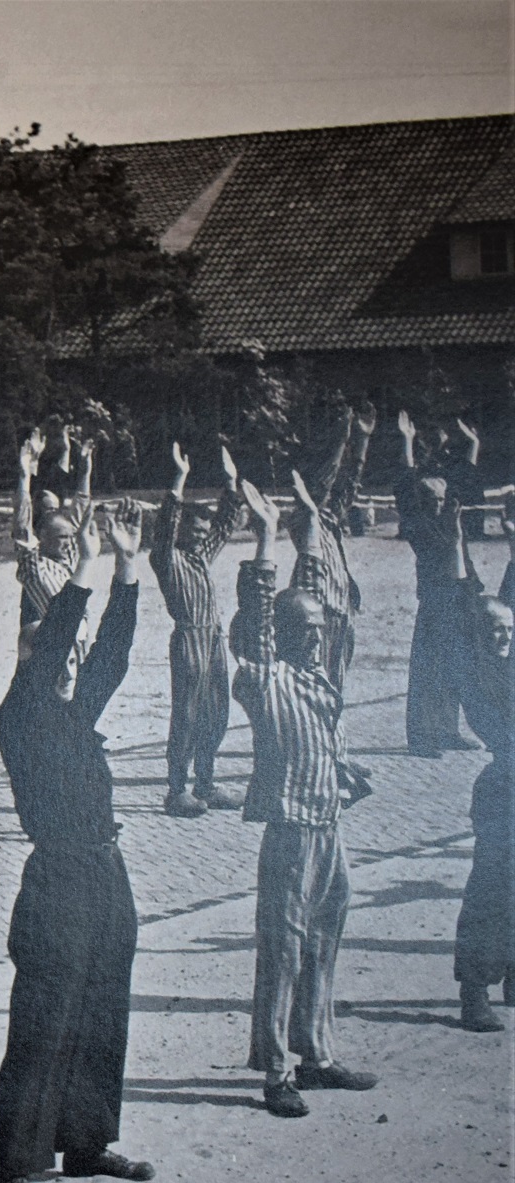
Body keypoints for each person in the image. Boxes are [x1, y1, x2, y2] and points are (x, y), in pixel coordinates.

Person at [0, 499, 156, 1183]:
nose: (67, 666)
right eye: (53, 657)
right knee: (43, 1021)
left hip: (105, 869)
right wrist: (81, 567)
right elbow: (59, 639)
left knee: (102, 1005)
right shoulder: (19, 717)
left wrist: (127, 567)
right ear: (30, 661)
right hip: (56, 877)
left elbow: (109, 656)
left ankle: (87, 1142)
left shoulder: (71, 708)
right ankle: (14, 1170)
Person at [230, 481, 379, 1118]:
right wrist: (266, 537)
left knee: (324, 942)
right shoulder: (265, 678)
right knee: (283, 950)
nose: (316, 637)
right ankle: (276, 1073)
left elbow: (321, 595)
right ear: (282, 635)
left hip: (329, 827)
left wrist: (310, 531)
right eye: (305, 629)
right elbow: (261, 610)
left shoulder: (320, 680)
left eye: (319, 629)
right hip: (290, 831)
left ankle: (316, 1054)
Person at [148, 443, 250, 817]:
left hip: (213, 639)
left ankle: (205, 784)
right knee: (187, 716)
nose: (201, 535)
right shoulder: (167, 558)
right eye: (194, 529)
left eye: (203, 530)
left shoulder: (201, 556)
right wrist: (179, 478)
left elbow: (225, 524)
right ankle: (177, 790)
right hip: (189, 638)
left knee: (215, 713)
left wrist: (231, 482)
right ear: (181, 531)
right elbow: (165, 525)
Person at [453, 506, 513, 1033]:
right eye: (495, 631)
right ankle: (474, 988)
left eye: (509, 631)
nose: (504, 639)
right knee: (491, 886)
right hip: (502, 789)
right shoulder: (477, 677)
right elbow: (461, 604)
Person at [396, 410, 486, 756]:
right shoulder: (419, 524)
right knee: (429, 665)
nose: (437, 504)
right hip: (435, 597)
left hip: (462, 591)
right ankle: (423, 736)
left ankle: (448, 730)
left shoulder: (450, 517)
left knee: (456, 662)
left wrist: (473, 444)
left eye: (440, 499)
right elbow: (406, 484)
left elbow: (463, 481)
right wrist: (406, 440)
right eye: (431, 499)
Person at [295, 405, 377, 690]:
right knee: (318, 685)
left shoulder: (329, 522)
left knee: (336, 686)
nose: (330, 496)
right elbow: (322, 484)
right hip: (320, 616)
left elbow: (350, 485)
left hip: (342, 614)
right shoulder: (304, 519)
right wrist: (341, 442)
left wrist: (362, 440)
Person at [12, 427, 92, 635]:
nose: (53, 510)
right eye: (49, 508)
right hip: (41, 612)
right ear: (41, 536)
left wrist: (84, 471)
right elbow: (22, 523)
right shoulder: (36, 566)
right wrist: (25, 473)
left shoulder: (67, 549)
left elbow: (79, 509)